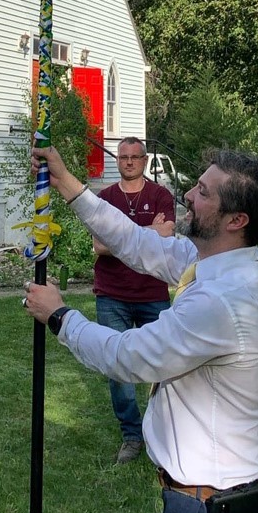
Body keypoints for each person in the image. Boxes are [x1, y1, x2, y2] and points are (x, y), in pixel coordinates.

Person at [25, 143, 258, 513]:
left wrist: (59, 317)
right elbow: (137, 242)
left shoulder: (221, 301)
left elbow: (129, 357)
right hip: (214, 501)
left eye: (203, 192)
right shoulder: (218, 262)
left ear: (236, 220)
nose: (187, 196)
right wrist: (68, 185)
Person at [94, 136, 176, 463]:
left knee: (167, 364)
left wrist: (123, 236)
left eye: (134, 157)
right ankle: (131, 435)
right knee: (117, 365)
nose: (128, 162)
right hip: (112, 293)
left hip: (152, 293)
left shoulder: (161, 195)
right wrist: (146, 232)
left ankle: (164, 429)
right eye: (123, 157)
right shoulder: (105, 198)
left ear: (144, 161)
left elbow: (167, 234)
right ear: (118, 161)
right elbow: (99, 246)